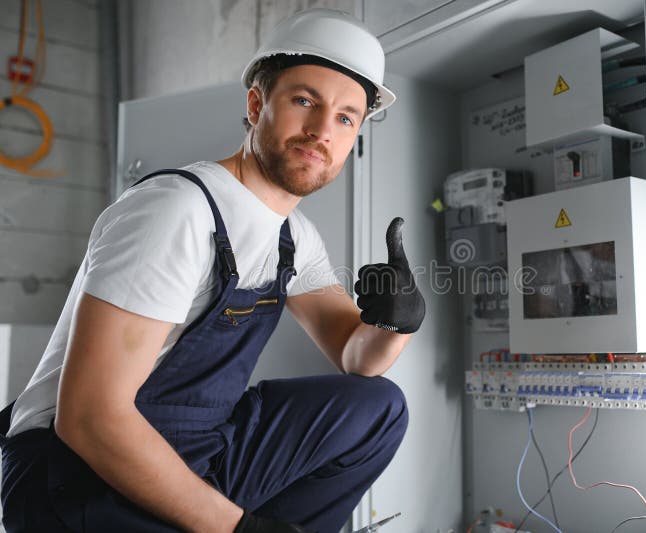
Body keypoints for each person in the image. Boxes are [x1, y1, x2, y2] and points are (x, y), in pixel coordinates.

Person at [0, 8, 425, 533]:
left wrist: (395, 324)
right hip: (69, 476)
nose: (321, 131)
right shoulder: (176, 210)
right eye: (304, 101)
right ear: (256, 104)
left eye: (345, 117)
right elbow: (89, 418)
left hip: (195, 445)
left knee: (375, 409)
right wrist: (238, 527)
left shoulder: (294, 239)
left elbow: (355, 358)